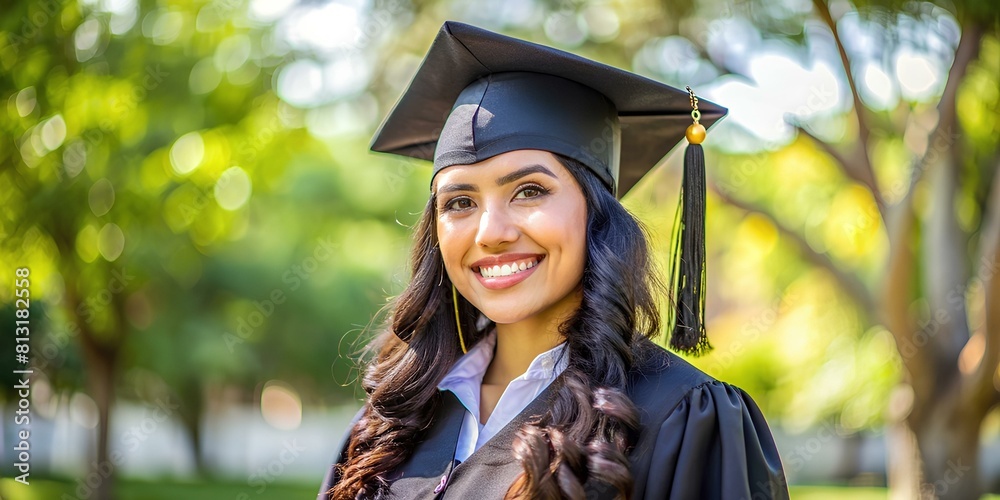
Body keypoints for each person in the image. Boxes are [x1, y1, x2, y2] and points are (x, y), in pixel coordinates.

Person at [318, 20, 788, 500]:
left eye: (529, 191)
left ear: (597, 213)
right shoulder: (393, 422)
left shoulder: (680, 417)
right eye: (460, 202)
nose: (490, 233)